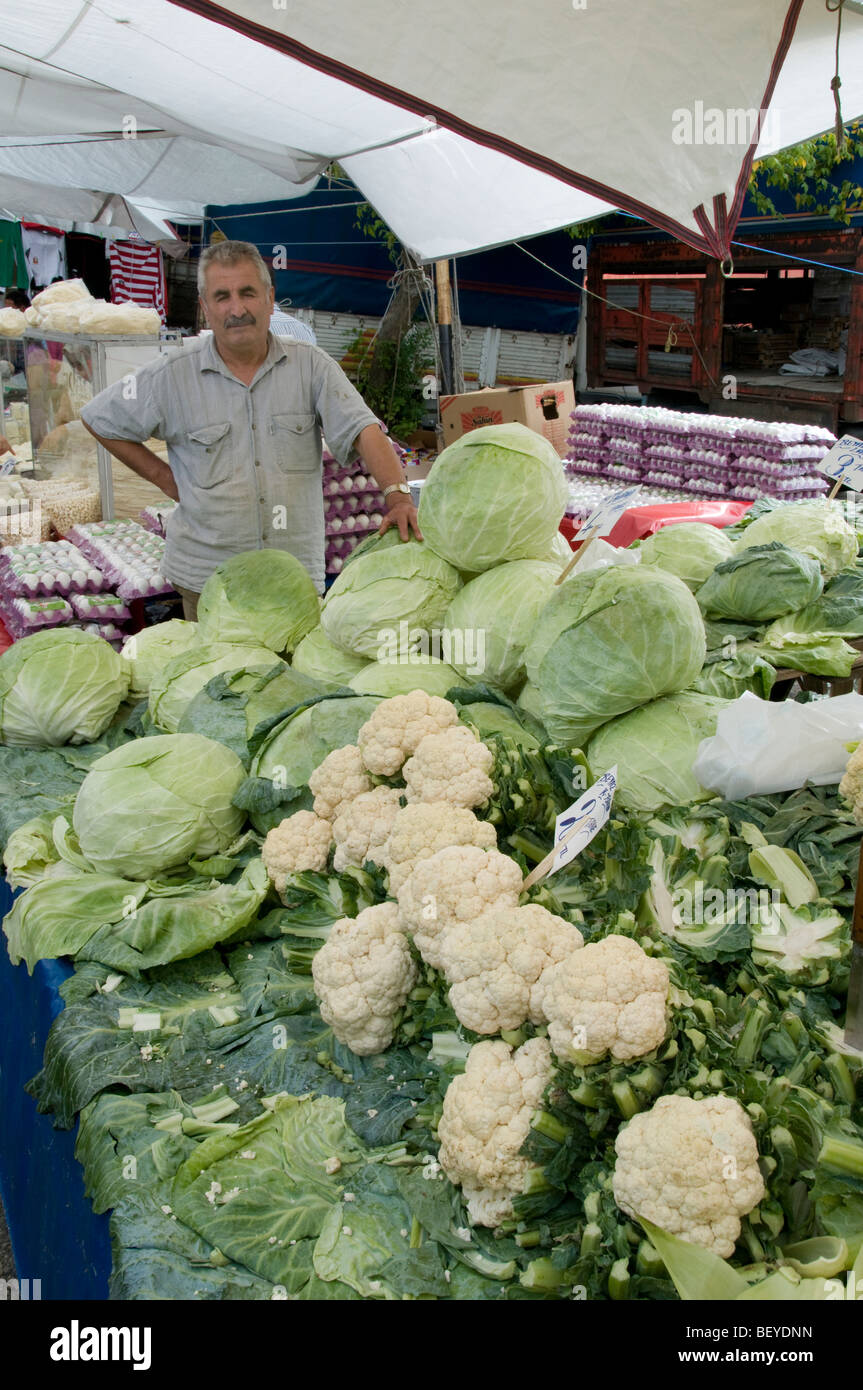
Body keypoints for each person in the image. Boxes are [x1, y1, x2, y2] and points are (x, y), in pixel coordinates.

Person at [81, 240, 421, 619]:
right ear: (205, 307)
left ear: (270, 298)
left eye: (247, 293)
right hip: (208, 581)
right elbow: (100, 418)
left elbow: (364, 428)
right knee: (217, 676)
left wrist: (399, 497)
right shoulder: (172, 375)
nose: (237, 309)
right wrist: (164, 477)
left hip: (291, 580)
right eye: (222, 297)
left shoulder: (310, 366)